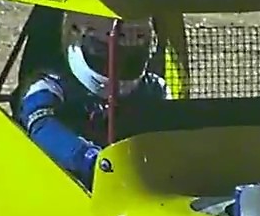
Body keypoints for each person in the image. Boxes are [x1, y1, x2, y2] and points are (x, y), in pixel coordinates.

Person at [17, 13, 169, 188]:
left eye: (133, 55)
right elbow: (40, 124)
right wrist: (90, 159)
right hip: (70, 184)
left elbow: (166, 130)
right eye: (103, 50)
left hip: (135, 181)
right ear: (76, 34)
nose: (120, 64)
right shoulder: (50, 86)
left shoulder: (153, 88)